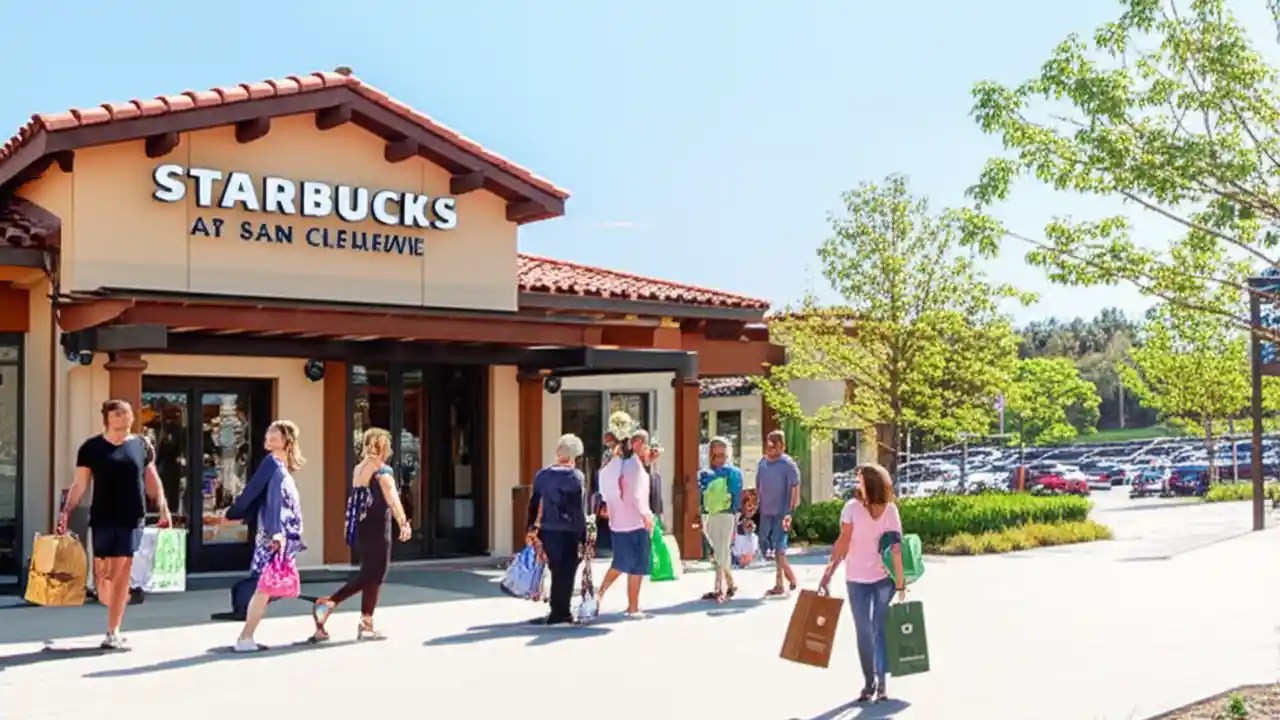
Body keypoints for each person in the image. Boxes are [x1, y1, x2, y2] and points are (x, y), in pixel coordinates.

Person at [59, 399, 173, 649]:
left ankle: (113, 630)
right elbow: (80, 484)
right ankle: (108, 600)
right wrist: (65, 511)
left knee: (122, 571)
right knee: (103, 575)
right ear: (107, 419)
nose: (124, 417)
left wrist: (163, 507)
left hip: (132, 516)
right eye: (118, 413)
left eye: (127, 413)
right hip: (102, 516)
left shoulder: (142, 445)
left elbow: (152, 480)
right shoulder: (91, 447)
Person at [311, 428, 411, 642]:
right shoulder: (382, 471)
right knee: (375, 575)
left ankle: (365, 622)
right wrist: (403, 522)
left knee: (369, 574)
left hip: (363, 529)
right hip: (378, 528)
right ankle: (329, 603)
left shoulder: (359, 469)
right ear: (384, 448)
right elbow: (392, 499)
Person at [819, 463, 907, 704]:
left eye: (860, 481)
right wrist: (828, 573)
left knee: (874, 630)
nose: (857, 485)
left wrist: (900, 584)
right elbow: (843, 543)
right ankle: (873, 683)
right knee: (867, 631)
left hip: (881, 579)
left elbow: (897, 549)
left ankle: (877, 685)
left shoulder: (889, 509)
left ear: (871, 484)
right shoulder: (853, 508)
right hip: (858, 579)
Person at [225, 420, 307, 653]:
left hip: (279, 537)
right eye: (269, 432)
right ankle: (245, 637)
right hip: (274, 537)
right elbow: (253, 491)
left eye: (275, 433)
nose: (269, 436)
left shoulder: (279, 466)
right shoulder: (271, 463)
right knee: (265, 587)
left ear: (287, 440)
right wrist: (233, 513)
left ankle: (246, 634)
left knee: (267, 587)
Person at [525, 433, 588, 626]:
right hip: (569, 530)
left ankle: (557, 610)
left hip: (548, 529)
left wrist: (530, 528)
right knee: (566, 572)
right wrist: (584, 536)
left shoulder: (542, 475)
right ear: (573, 457)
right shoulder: (575, 477)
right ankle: (561, 613)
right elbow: (577, 510)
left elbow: (534, 503)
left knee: (555, 569)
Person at [595, 428, 654, 618]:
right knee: (637, 565)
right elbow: (637, 495)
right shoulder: (633, 465)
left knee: (620, 563)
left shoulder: (613, 464)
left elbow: (606, 489)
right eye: (645, 444)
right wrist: (646, 515)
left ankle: (599, 595)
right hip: (636, 521)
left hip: (618, 521)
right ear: (637, 444)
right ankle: (633, 606)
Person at [698, 436, 743, 602]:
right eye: (715, 455)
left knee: (721, 551)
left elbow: (737, 495)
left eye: (722, 455)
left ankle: (719, 588)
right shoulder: (704, 473)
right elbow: (701, 495)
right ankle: (730, 583)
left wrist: (736, 514)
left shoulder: (734, 473)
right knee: (719, 551)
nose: (719, 459)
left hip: (726, 513)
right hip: (709, 514)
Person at [757, 430, 800, 597]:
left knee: (779, 548)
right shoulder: (763, 463)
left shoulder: (788, 465)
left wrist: (790, 512)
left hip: (782, 512)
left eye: (775, 444)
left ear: (782, 446)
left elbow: (795, 489)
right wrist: (756, 505)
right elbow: (759, 486)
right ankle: (791, 577)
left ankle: (779, 584)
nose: (771, 447)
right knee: (764, 543)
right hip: (766, 511)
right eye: (769, 443)